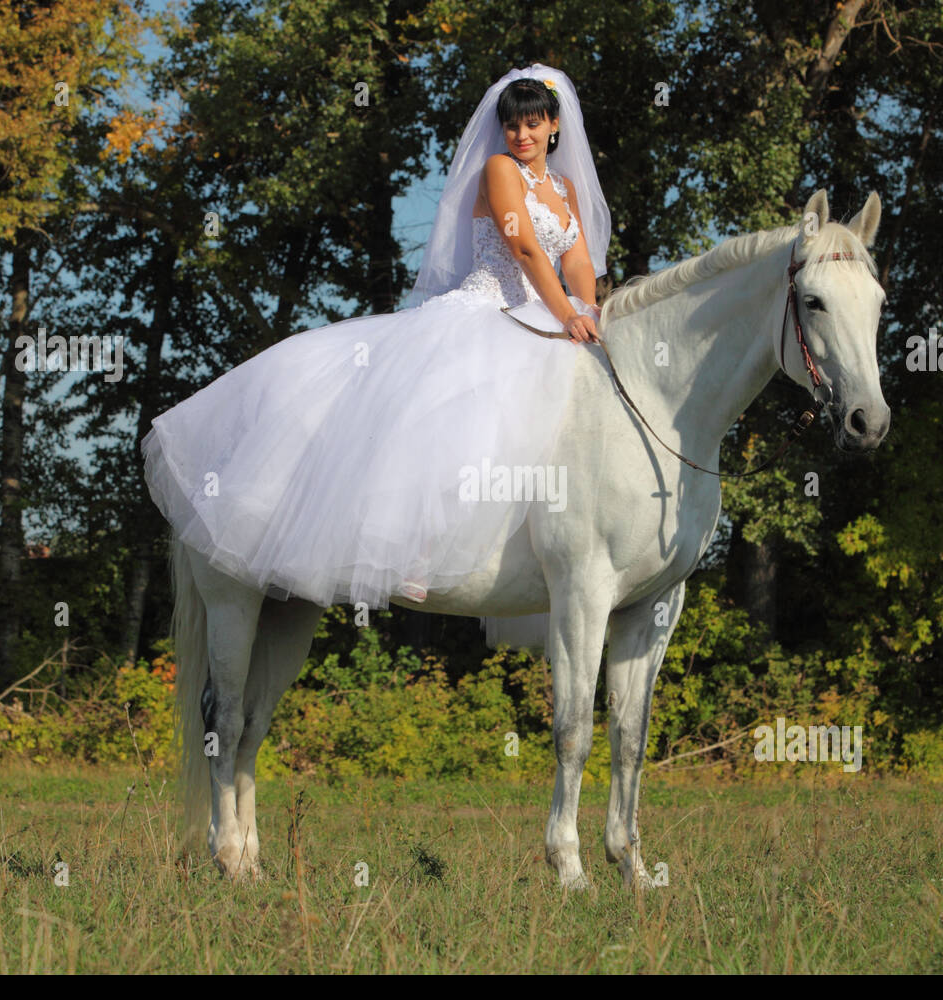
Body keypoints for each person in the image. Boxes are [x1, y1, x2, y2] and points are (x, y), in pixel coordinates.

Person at [141, 64, 611, 610]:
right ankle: (418, 551)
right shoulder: (500, 169)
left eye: (533, 124)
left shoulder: (564, 187)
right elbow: (527, 249)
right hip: (488, 308)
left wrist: (589, 307)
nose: (521, 135)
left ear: (554, 125)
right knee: (452, 409)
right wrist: (566, 314)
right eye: (512, 125)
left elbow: (575, 258)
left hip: (541, 312)